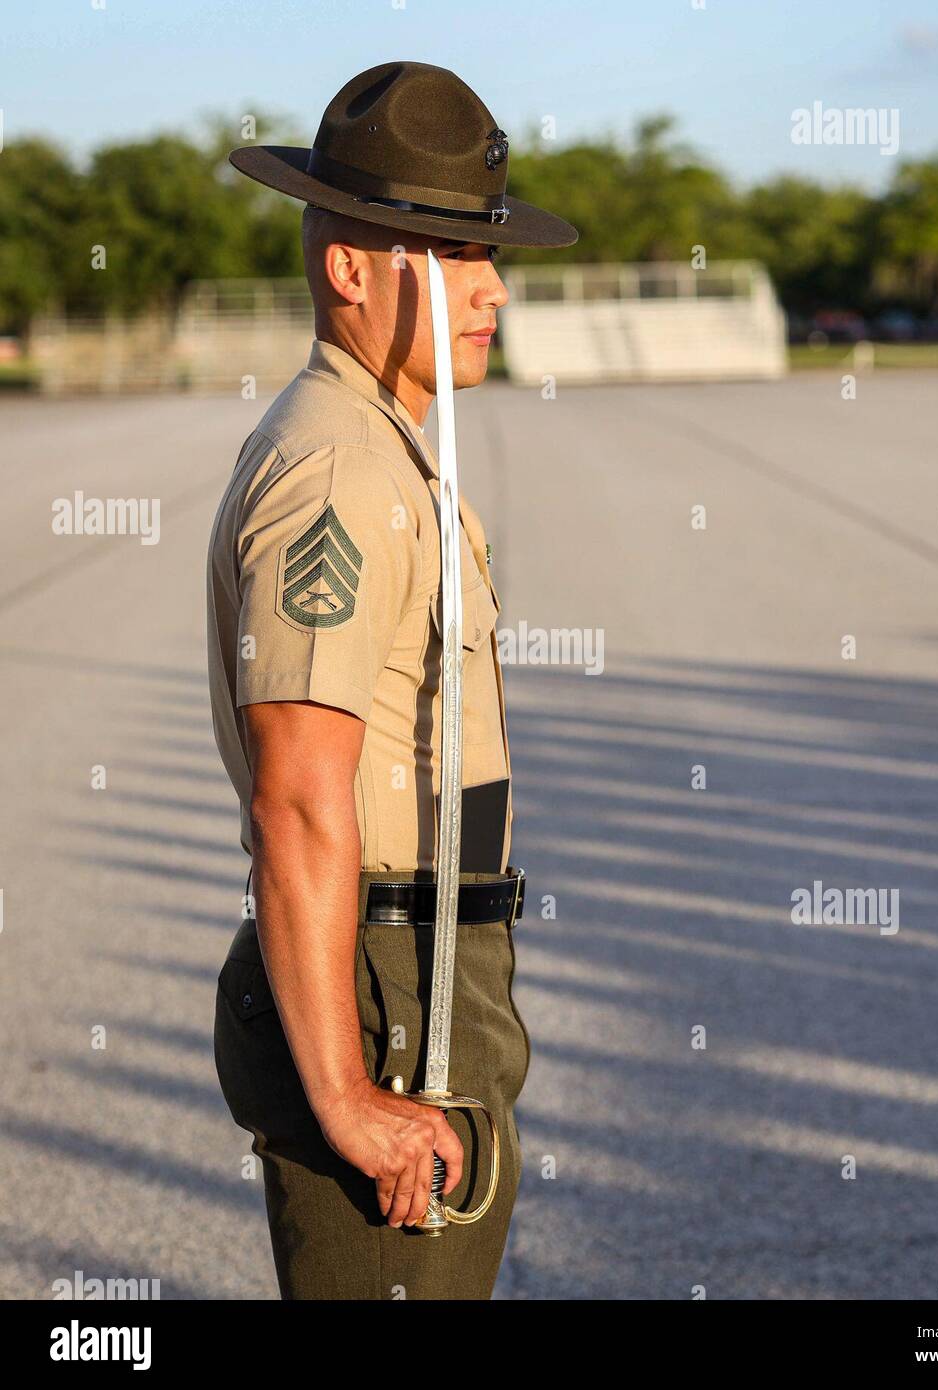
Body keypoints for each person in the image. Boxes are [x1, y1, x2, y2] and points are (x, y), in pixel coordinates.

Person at [205, 60, 578, 1299]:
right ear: (347, 269)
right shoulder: (340, 479)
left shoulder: (386, 450)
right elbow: (299, 800)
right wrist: (351, 1098)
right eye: (444, 252)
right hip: (380, 987)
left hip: (423, 968)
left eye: (487, 253)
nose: (490, 290)